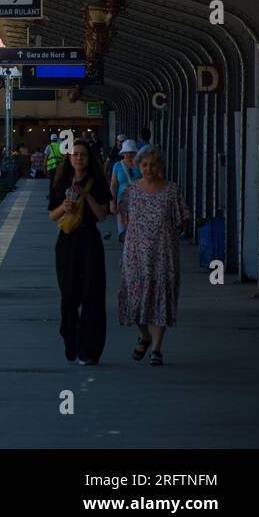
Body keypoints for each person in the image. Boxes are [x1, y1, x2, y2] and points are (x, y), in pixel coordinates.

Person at [118, 146, 188, 366]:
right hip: (135, 254)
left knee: (160, 299)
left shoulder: (172, 190)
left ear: (160, 167)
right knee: (134, 298)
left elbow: (182, 218)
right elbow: (123, 214)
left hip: (163, 254)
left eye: (153, 165)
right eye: (145, 165)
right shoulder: (131, 190)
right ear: (139, 166)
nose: (149, 169)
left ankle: (156, 349)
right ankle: (145, 335)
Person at [48, 138, 110, 365]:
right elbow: (52, 216)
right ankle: (70, 337)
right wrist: (64, 207)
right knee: (69, 296)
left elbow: (102, 215)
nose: (79, 158)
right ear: (69, 157)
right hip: (66, 242)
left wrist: (85, 195)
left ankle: (89, 350)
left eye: (83, 155)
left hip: (90, 240)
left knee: (92, 295)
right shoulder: (60, 180)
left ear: (89, 158)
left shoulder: (98, 182)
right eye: (75, 154)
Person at [109, 140, 141, 244]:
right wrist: (112, 202)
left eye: (131, 152)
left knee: (136, 227)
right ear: (123, 153)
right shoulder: (117, 166)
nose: (129, 155)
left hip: (138, 200)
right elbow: (113, 185)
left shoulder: (140, 165)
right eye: (126, 152)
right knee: (123, 229)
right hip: (122, 200)